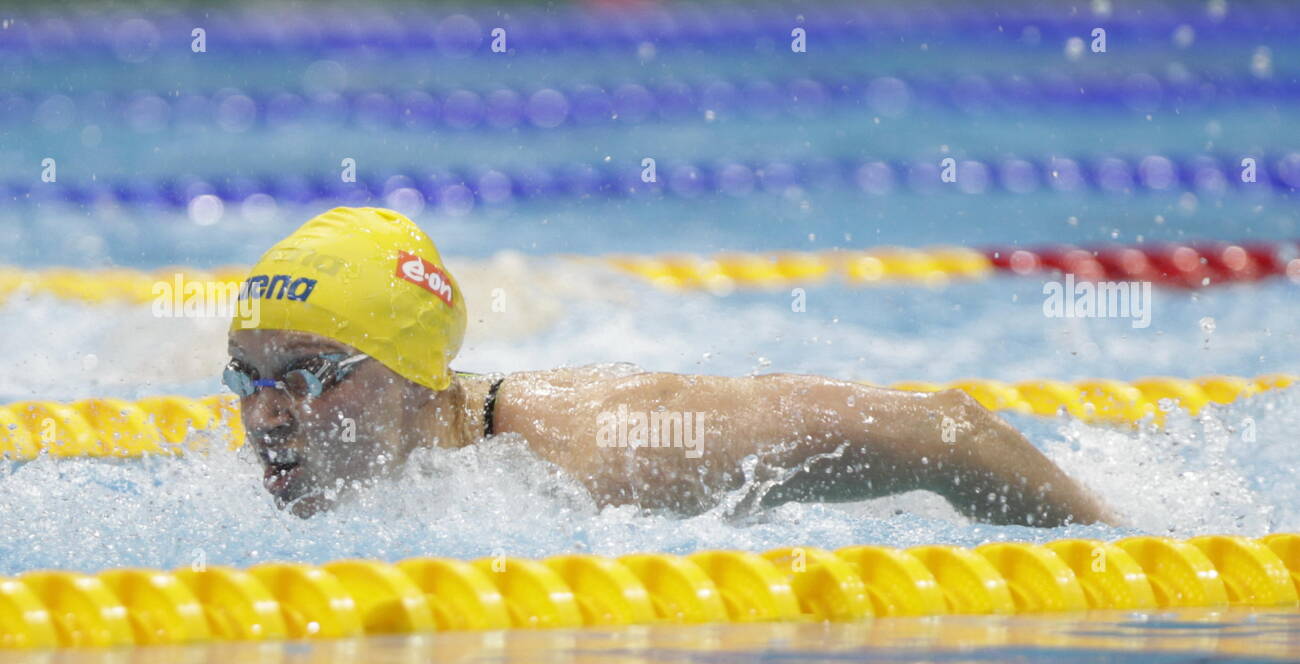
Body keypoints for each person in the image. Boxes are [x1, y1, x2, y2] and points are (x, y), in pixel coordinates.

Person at [225, 206, 1117, 526]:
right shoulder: (368, 481)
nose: (266, 417)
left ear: (417, 370)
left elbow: (942, 429)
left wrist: (1127, 556)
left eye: (306, 375)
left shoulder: (604, 447)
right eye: (247, 378)